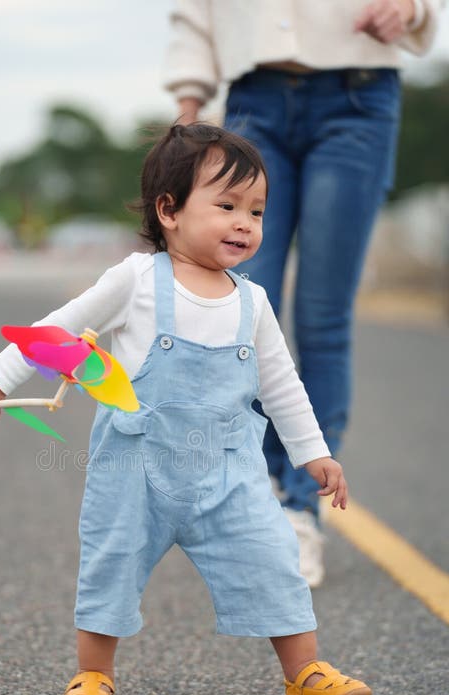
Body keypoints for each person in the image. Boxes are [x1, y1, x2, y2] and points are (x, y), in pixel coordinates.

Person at [0, 124, 372, 695]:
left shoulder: (252, 302)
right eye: (227, 206)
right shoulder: (136, 280)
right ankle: (92, 677)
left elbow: (282, 385)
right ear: (170, 210)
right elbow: (59, 331)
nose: (245, 223)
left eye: (256, 211)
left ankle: (305, 674)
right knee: (111, 561)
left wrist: (314, 453)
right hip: (136, 468)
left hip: (229, 471)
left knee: (273, 556)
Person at [164, 0, 441, 587]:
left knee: (323, 316)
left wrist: (412, 9)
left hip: (359, 98)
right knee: (241, 306)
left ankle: (299, 512)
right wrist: (189, 108)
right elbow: (195, 10)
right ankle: (256, 492)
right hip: (252, 101)